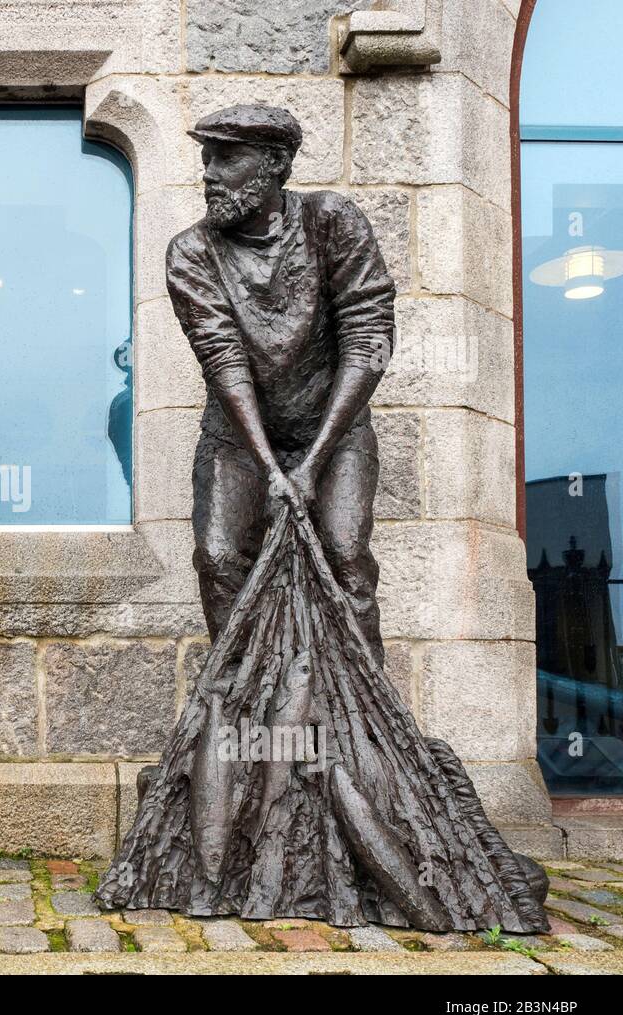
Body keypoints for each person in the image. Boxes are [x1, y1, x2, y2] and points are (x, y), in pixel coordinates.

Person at [167, 104, 395, 659]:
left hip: (334, 433)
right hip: (238, 440)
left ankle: (372, 721)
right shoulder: (191, 252)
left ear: (273, 165)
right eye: (206, 157)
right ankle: (244, 709)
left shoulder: (331, 222)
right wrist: (271, 470)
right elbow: (222, 359)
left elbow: (369, 339)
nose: (209, 173)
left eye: (226, 158)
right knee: (219, 559)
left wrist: (311, 464)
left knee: (345, 559)